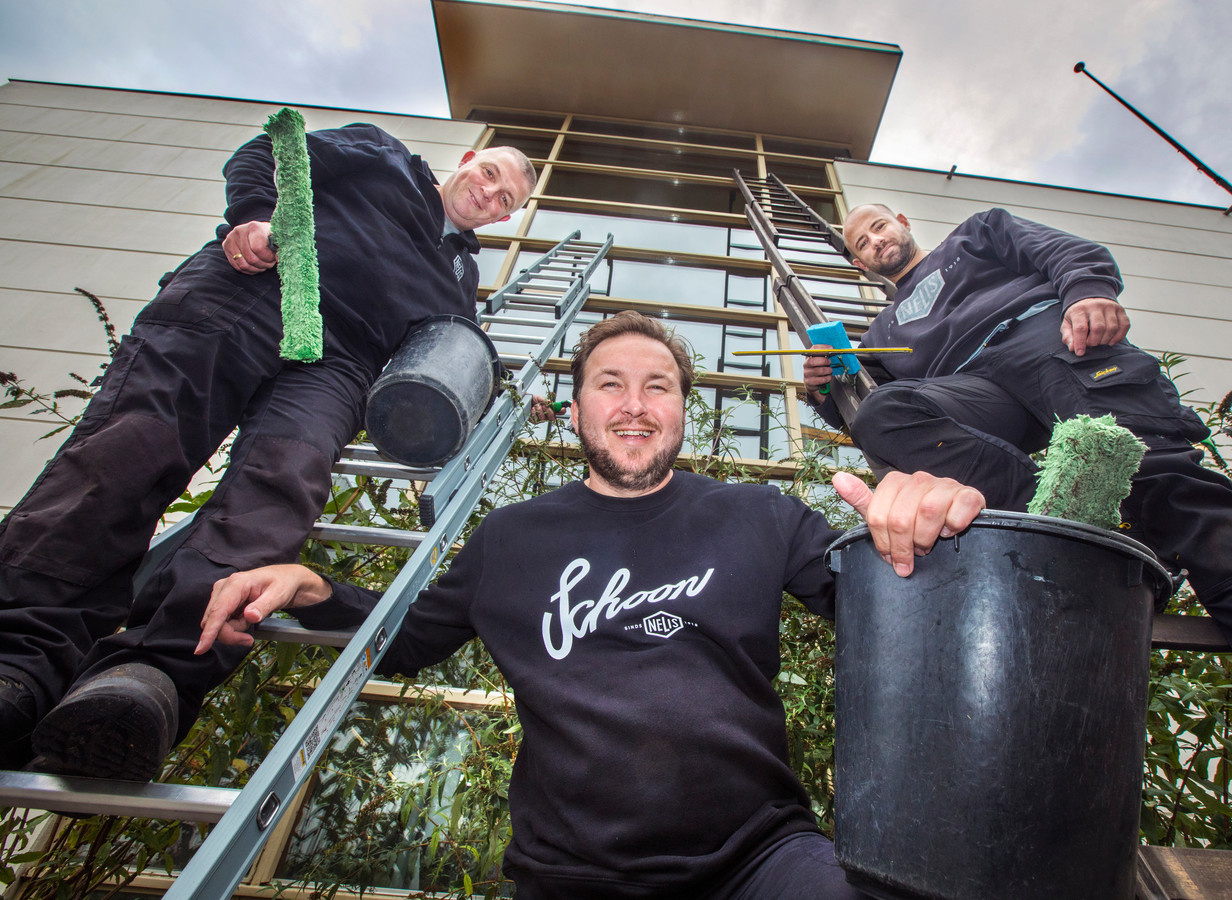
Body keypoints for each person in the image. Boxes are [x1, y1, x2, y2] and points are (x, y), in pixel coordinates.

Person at [198, 311, 986, 899]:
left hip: (762, 862)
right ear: (575, 410)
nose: (635, 405)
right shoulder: (511, 539)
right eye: (610, 385)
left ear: (683, 409)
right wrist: (315, 590)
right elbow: (405, 641)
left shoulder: (761, 516)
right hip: (568, 876)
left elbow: (896, 622)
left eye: (659, 387)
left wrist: (932, 528)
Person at [801, 203, 1232, 857]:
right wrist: (824, 387)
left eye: (877, 226)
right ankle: (1079, 527)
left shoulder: (975, 236)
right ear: (858, 262)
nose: (874, 240)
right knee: (885, 413)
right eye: (861, 242)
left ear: (899, 220)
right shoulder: (884, 328)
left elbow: (1059, 249)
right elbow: (874, 398)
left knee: (1160, 478)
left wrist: (1089, 290)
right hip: (972, 384)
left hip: (1051, 339)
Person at [0, 121, 536, 780]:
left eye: (506, 200)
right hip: (258, 289)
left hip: (337, 366)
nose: (491, 197)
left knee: (278, 493)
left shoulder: (461, 276)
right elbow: (270, 152)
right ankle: (18, 661)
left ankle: (154, 671)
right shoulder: (384, 155)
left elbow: (452, 354)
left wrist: (507, 395)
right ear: (467, 160)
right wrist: (253, 218)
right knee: (123, 460)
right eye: (491, 176)